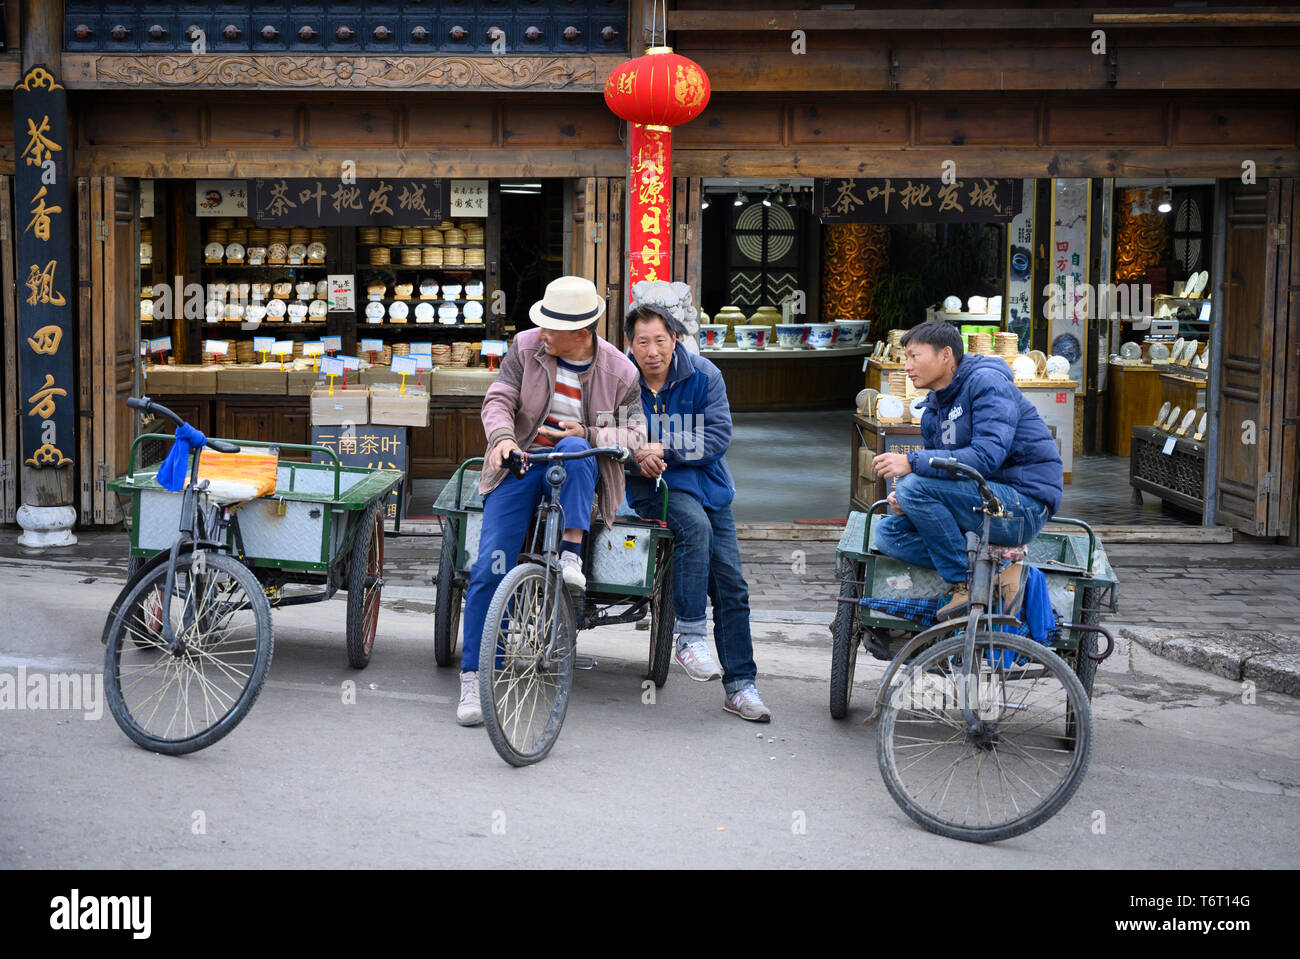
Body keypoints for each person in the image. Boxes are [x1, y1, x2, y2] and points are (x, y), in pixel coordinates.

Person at [456, 276, 647, 726]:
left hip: (579, 467)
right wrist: (502, 438)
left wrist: (593, 433)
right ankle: (475, 672)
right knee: (491, 566)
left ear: (581, 333)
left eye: (551, 328)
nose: (541, 333)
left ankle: (571, 553)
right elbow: (498, 399)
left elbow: (636, 434)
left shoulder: (621, 372)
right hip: (521, 459)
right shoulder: (524, 347)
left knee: (574, 449)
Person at [623, 304, 771, 722]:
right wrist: (639, 458)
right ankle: (688, 635)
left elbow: (718, 435)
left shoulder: (705, 375)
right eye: (642, 342)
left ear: (675, 339)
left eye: (660, 340)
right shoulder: (624, 382)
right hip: (654, 488)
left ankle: (741, 687)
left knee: (732, 586)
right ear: (630, 345)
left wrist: (664, 448)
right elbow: (614, 432)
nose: (652, 351)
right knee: (692, 524)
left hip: (711, 490)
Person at [871, 320, 1063, 616]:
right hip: (983, 502)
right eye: (905, 357)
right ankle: (997, 574)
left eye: (914, 356)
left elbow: (986, 457)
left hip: (1022, 506)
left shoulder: (987, 383)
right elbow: (948, 475)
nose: (907, 366)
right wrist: (910, 504)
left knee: (911, 487)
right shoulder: (933, 409)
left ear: (945, 354)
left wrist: (911, 463)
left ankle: (965, 583)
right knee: (887, 533)